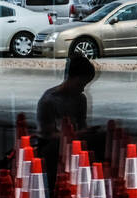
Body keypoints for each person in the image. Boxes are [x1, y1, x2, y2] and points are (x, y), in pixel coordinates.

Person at [36, 53, 96, 183]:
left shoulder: (80, 99)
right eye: (81, 84)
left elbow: (82, 124)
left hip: (74, 151)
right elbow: (46, 136)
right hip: (53, 153)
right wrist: (75, 135)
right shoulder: (49, 100)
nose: (82, 89)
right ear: (72, 78)